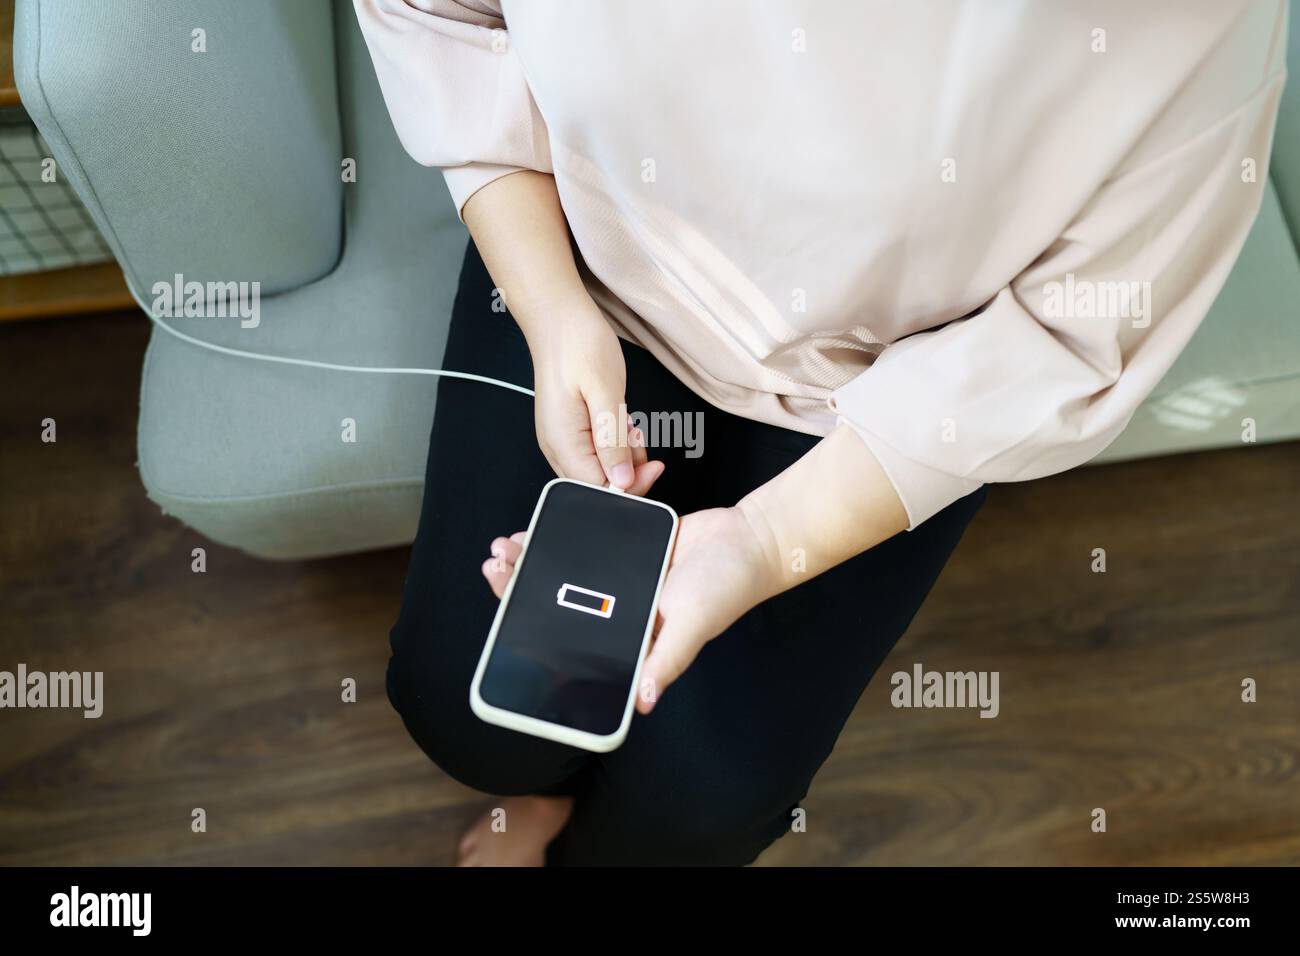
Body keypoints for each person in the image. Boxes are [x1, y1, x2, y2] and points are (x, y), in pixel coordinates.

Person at [353, 0, 1287, 865]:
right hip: (580, 274)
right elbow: (444, 20)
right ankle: (541, 799)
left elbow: (1068, 333)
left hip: (875, 400)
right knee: (460, 705)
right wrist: (552, 313)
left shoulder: (1188, 27)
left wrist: (762, 544)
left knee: (706, 803)